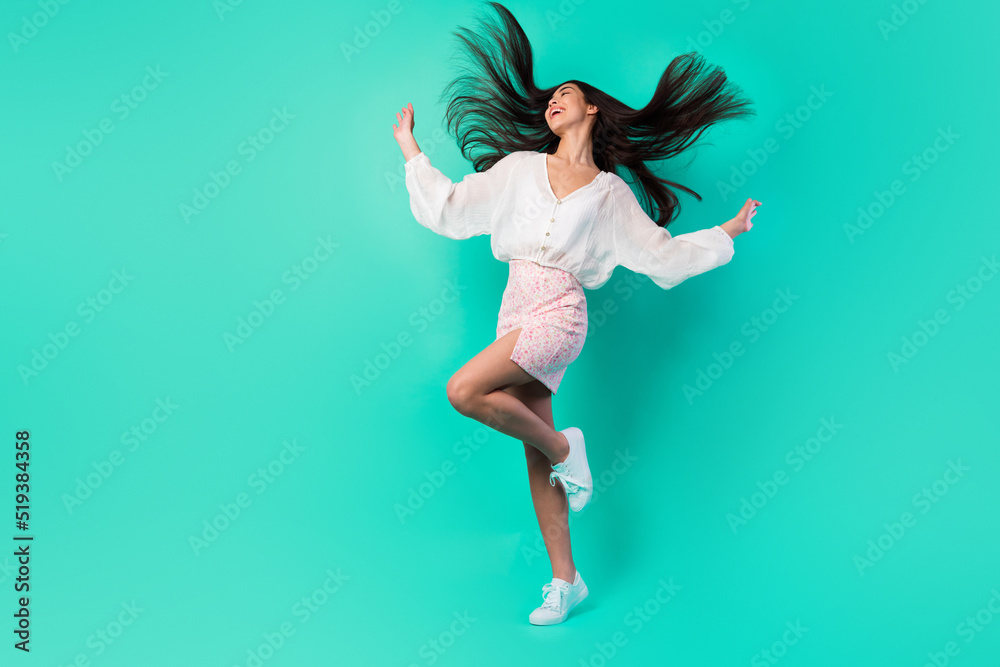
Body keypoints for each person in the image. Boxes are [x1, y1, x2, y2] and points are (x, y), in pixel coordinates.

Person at [391, 1, 761, 626]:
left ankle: (569, 447)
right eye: (549, 99)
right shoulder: (519, 169)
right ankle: (567, 581)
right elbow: (451, 207)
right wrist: (410, 147)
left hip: (560, 313)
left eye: (565, 93)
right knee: (536, 456)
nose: (552, 102)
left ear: (591, 108)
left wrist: (726, 232)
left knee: (464, 391)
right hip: (514, 309)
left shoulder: (610, 193)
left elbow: (661, 256)